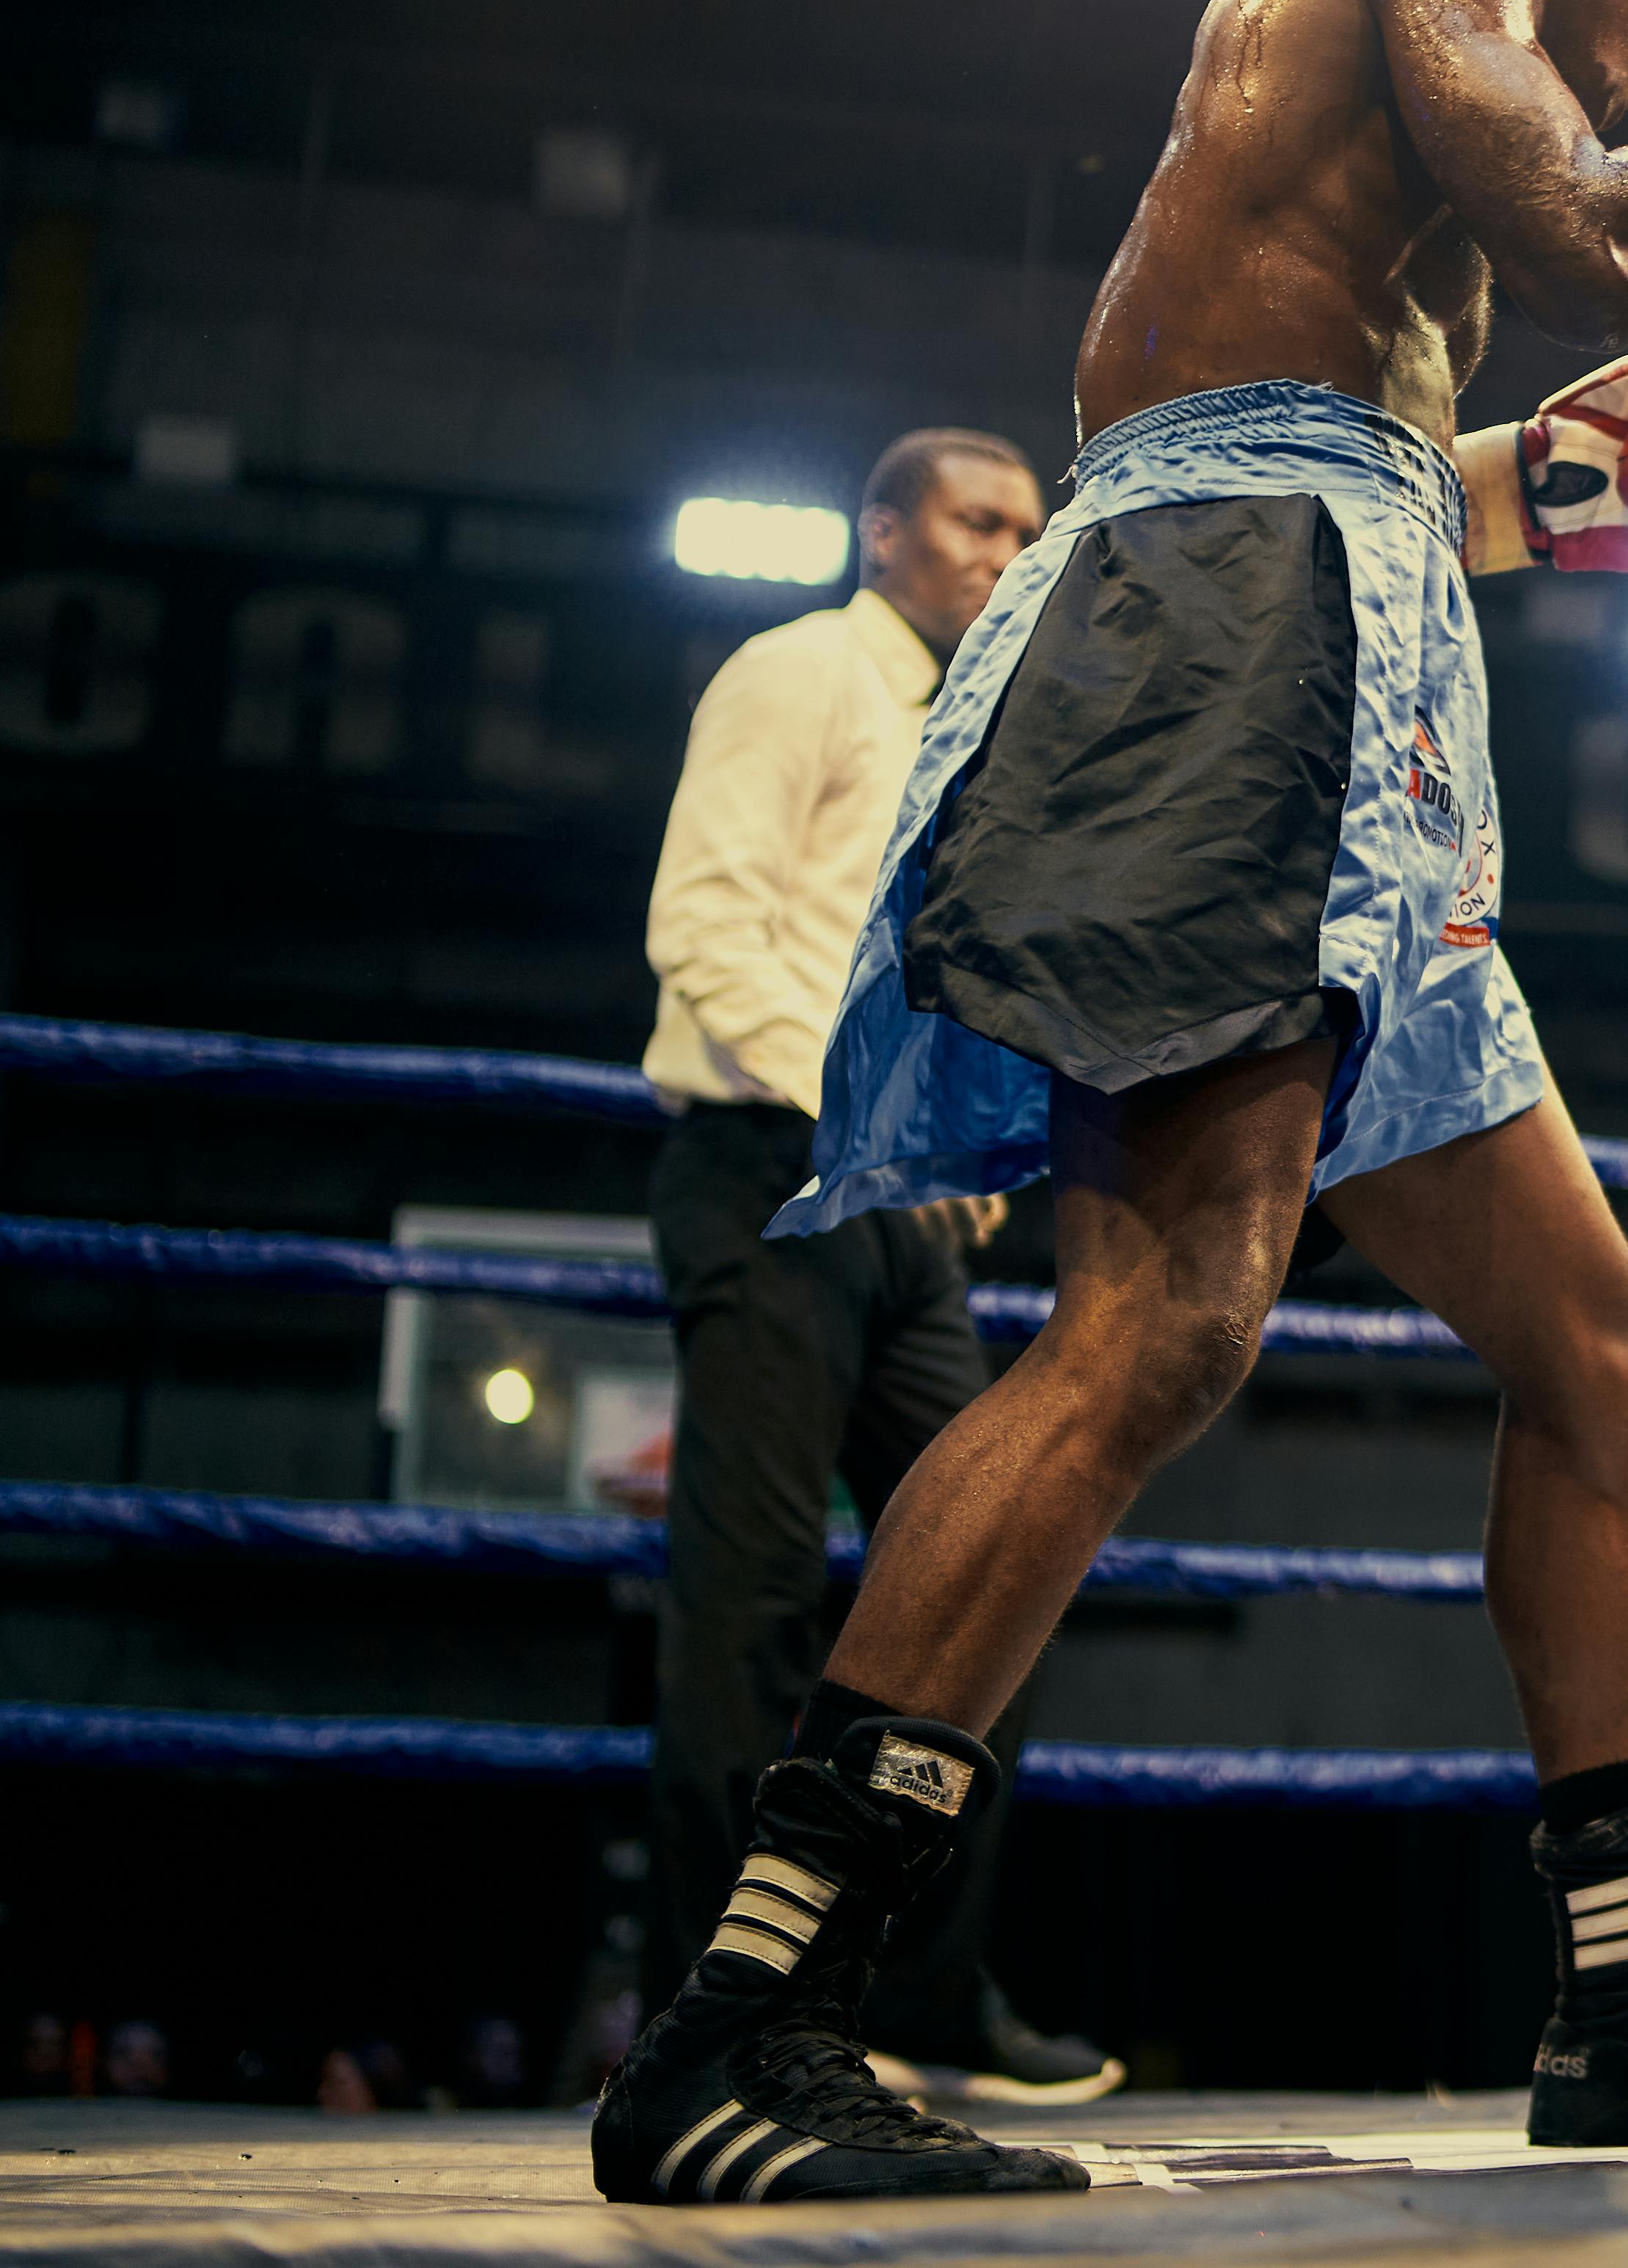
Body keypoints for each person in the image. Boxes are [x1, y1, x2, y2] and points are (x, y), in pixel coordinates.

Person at [594, 0, 1628, 2206]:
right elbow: (1621, 239)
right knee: (1165, 1325)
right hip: (1227, 630)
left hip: (1351, 654)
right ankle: (743, 2019)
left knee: (1596, 1350)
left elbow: (1375, 439)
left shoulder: (1389, 147)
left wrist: (1562, 485)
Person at [635, 425, 1118, 2112]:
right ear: (886, 529)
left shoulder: (976, 730)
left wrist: (948, 1146)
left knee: (995, 1579)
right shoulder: (797, 671)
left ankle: (916, 1987)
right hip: (768, 1172)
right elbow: (703, 925)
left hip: (897, 1216)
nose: (1008, 550)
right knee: (752, 1605)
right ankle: (713, 2017)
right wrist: (858, 1127)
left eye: (1026, 528)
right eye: (979, 520)